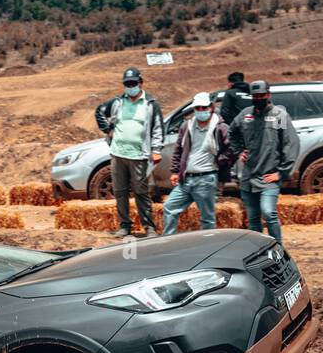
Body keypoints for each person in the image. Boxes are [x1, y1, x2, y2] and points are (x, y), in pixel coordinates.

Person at [95, 67, 164, 237]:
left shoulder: (150, 104)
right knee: (120, 191)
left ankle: (149, 227)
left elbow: (157, 128)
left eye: (133, 83)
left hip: (139, 155)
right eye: (127, 84)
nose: (130, 86)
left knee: (141, 192)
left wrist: (156, 150)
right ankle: (125, 226)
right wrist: (108, 130)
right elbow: (99, 111)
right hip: (118, 154)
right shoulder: (117, 102)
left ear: (141, 83)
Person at [228, 80, 299, 244]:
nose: (258, 98)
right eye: (255, 96)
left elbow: (290, 143)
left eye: (261, 95)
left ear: (268, 95)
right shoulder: (246, 115)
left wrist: (282, 172)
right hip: (248, 177)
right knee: (253, 219)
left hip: (269, 176)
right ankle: (258, 250)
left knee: (268, 212)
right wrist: (239, 151)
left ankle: (278, 249)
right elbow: (232, 132)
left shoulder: (279, 115)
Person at [163, 92, 235, 234]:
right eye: (198, 108)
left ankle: (207, 247)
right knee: (169, 207)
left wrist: (220, 161)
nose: (201, 111)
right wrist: (175, 171)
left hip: (206, 179)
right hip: (186, 179)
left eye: (204, 108)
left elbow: (232, 149)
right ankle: (167, 239)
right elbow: (179, 149)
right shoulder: (187, 126)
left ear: (211, 108)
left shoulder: (220, 127)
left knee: (207, 217)